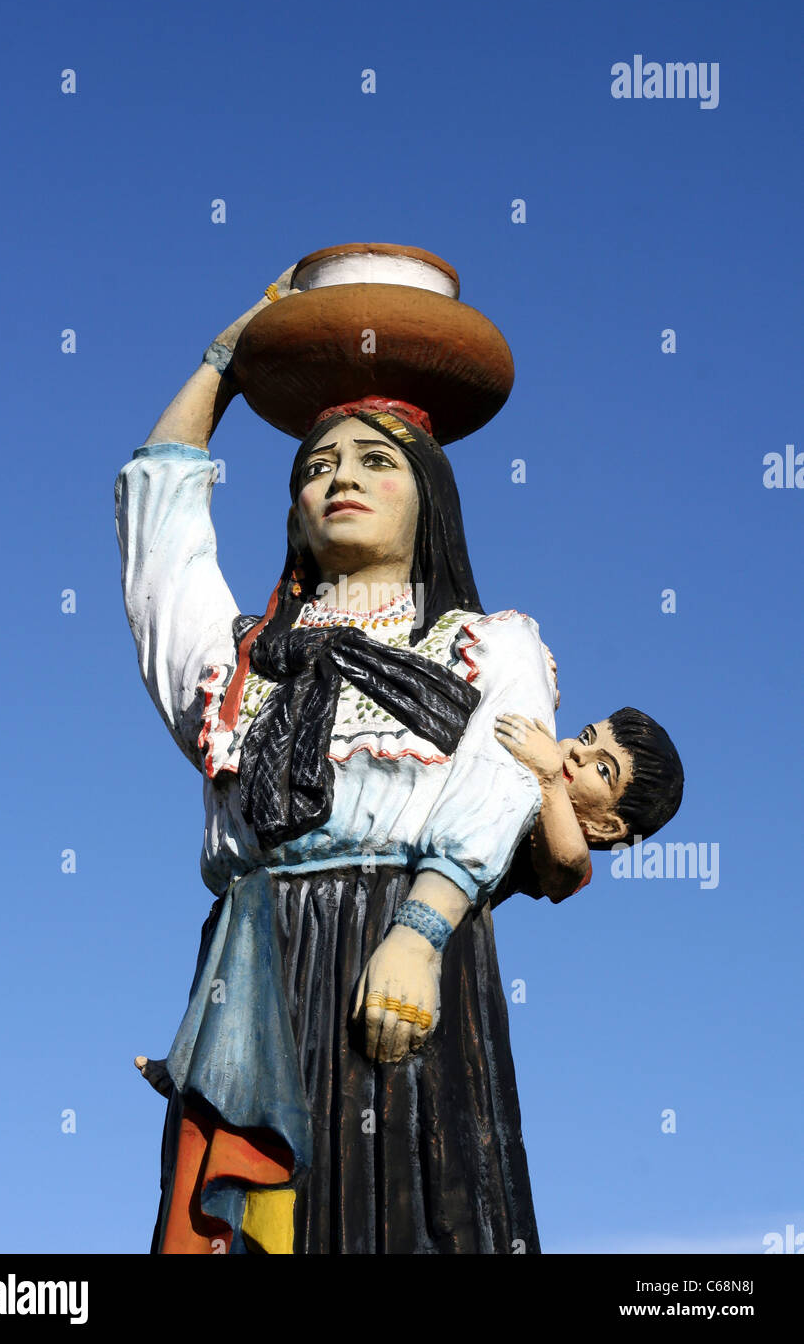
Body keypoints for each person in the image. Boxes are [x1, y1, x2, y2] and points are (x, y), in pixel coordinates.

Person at [115, 272, 592, 1255]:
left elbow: (498, 785)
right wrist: (225, 361)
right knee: (252, 1231)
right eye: (317, 463)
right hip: (248, 967)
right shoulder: (241, 662)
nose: (340, 476)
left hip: (398, 942)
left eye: (376, 461)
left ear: (430, 496)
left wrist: (422, 929)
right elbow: (159, 525)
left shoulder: (486, 644)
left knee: (406, 1214)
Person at [491, 710, 684, 907]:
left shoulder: (574, 864)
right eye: (585, 738)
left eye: (603, 770)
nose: (579, 752)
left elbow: (569, 859)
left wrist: (550, 779)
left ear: (605, 827)